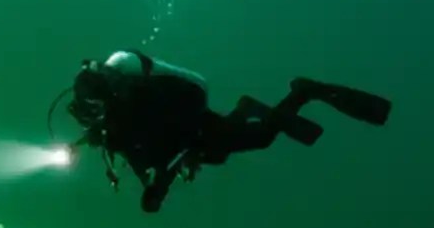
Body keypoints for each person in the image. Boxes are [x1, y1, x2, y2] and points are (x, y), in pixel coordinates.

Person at [51, 49, 392, 213]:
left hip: (198, 130)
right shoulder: (117, 117)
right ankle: (244, 108)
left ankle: (303, 92)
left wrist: (160, 187)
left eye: (94, 111)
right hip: (191, 132)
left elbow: (172, 146)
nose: (91, 119)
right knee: (232, 137)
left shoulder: (137, 107)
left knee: (263, 138)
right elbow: (139, 147)